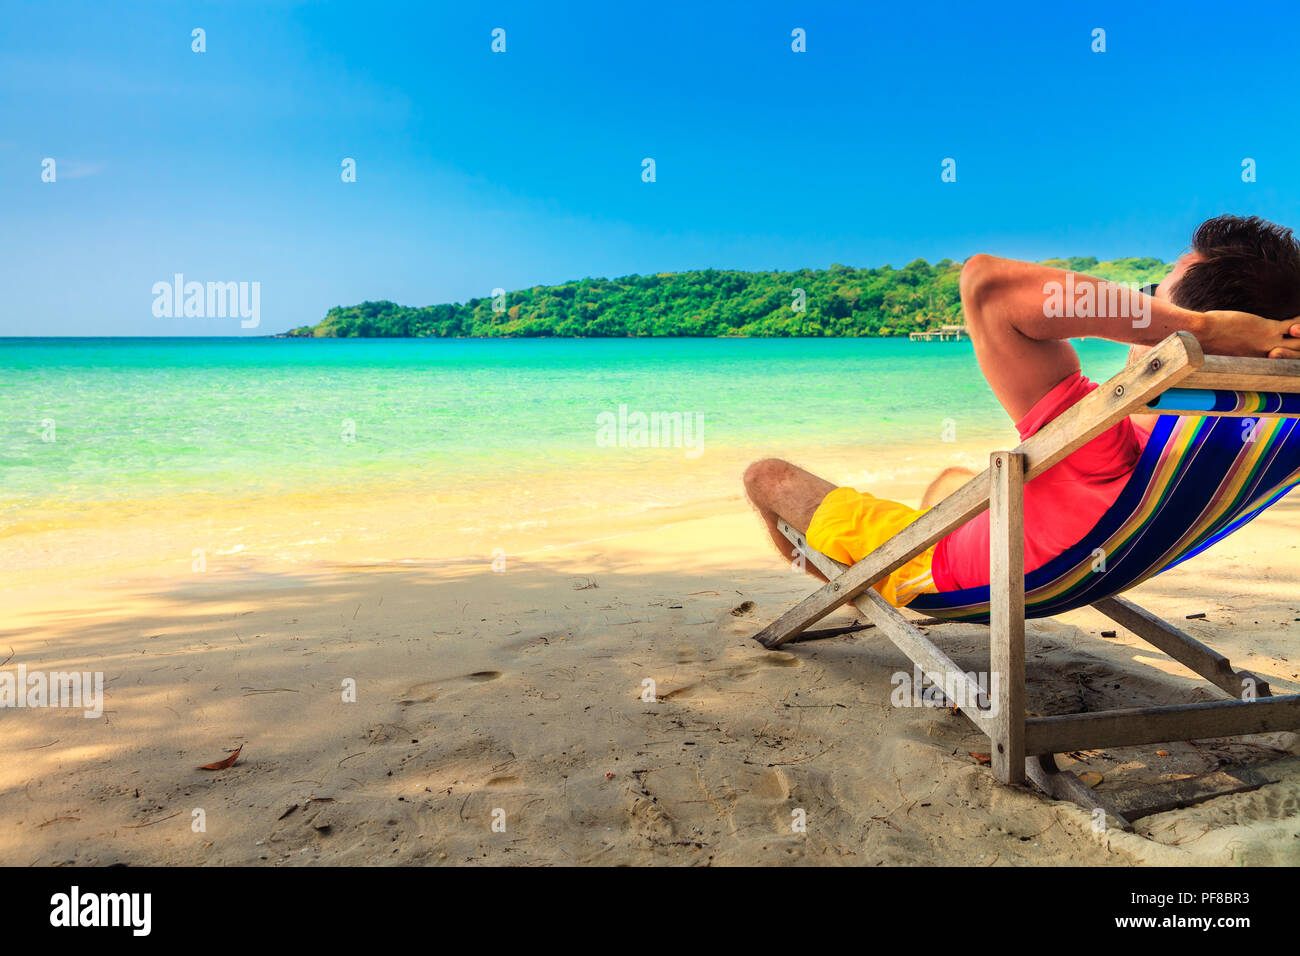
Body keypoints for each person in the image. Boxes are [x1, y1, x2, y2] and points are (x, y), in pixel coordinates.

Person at [744, 215, 1300, 605]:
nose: (1147, 301)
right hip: (1079, 558)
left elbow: (987, 286)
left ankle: (851, 595)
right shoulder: (1259, 428)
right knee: (950, 481)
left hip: (949, 572)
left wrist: (1199, 329)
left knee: (763, 475)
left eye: (1156, 292)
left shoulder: (1102, 439)